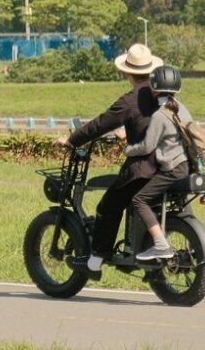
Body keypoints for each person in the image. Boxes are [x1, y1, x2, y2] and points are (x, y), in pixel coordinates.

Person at [53, 42, 163, 279]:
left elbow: (99, 124)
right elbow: (152, 122)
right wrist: (127, 131)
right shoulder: (161, 93)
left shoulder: (129, 100)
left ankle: (95, 261)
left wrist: (71, 139)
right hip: (171, 163)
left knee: (108, 205)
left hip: (144, 166)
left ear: (126, 72)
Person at [123, 65, 194, 262]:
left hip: (172, 168)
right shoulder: (182, 109)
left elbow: (147, 147)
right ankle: (190, 243)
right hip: (187, 166)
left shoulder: (159, 115)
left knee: (139, 200)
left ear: (153, 89)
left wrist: (128, 149)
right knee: (179, 203)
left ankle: (161, 245)